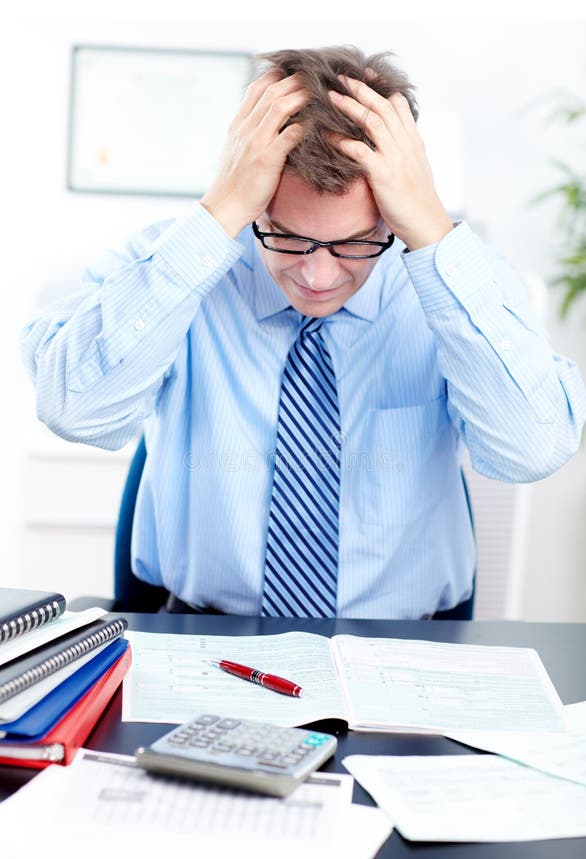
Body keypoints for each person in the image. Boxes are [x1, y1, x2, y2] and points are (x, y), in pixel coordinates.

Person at [21, 46, 586, 619]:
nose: (318, 276)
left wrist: (432, 232)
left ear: (392, 216)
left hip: (404, 641)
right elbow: (75, 411)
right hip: (204, 633)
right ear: (255, 203)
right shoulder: (171, 263)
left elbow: (531, 453)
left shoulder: (456, 284)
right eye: (287, 236)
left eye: (354, 243)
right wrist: (219, 211)